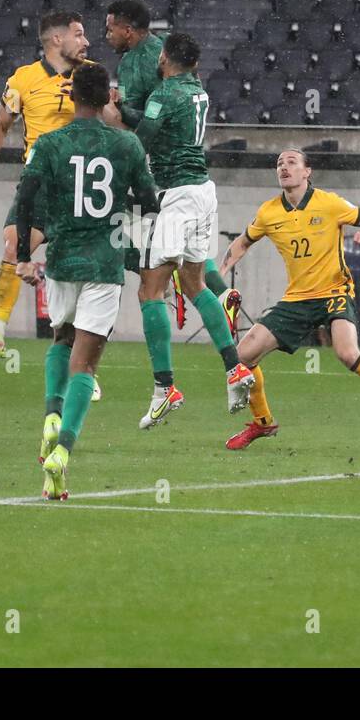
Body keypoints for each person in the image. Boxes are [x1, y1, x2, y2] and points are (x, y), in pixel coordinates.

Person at [14, 63, 160, 501]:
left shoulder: (49, 142)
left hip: (61, 261)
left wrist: (23, 254)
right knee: (86, 364)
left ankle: (51, 415)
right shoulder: (126, 144)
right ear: (107, 98)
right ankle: (63, 452)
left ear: (73, 95)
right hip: (103, 264)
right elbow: (149, 204)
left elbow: (26, 197)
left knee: (61, 339)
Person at [218, 149, 360, 454]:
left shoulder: (329, 203)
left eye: (291, 163)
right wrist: (217, 275)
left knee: (346, 352)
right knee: (242, 357)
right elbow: (242, 243)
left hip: (334, 292)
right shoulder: (268, 213)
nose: (284, 167)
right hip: (297, 299)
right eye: (279, 164)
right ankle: (262, 423)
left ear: (307, 172)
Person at [112, 32, 254, 428]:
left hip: (175, 196)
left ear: (165, 57)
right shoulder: (196, 91)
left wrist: (118, 129)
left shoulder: (163, 93)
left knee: (150, 289)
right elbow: (164, 127)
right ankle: (235, 368)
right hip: (204, 192)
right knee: (195, 285)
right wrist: (127, 110)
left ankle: (164, 389)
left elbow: (143, 142)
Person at [102, 0, 240, 332]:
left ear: (128, 30)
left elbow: (133, 126)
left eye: (110, 29)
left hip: (162, 168)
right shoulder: (168, 48)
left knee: (112, 226)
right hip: (195, 172)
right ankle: (220, 295)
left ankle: (164, 286)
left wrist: (108, 108)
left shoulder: (133, 65)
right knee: (190, 258)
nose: (106, 35)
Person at [0, 12, 92, 359]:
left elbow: (114, 122)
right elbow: (0, 127)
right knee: (13, 246)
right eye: (79, 35)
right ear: (57, 40)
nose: (85, 42)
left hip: (80, 184)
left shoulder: (91, 74)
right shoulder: (23, 80)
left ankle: (85, 362)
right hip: (38, 182)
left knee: (78, 270)